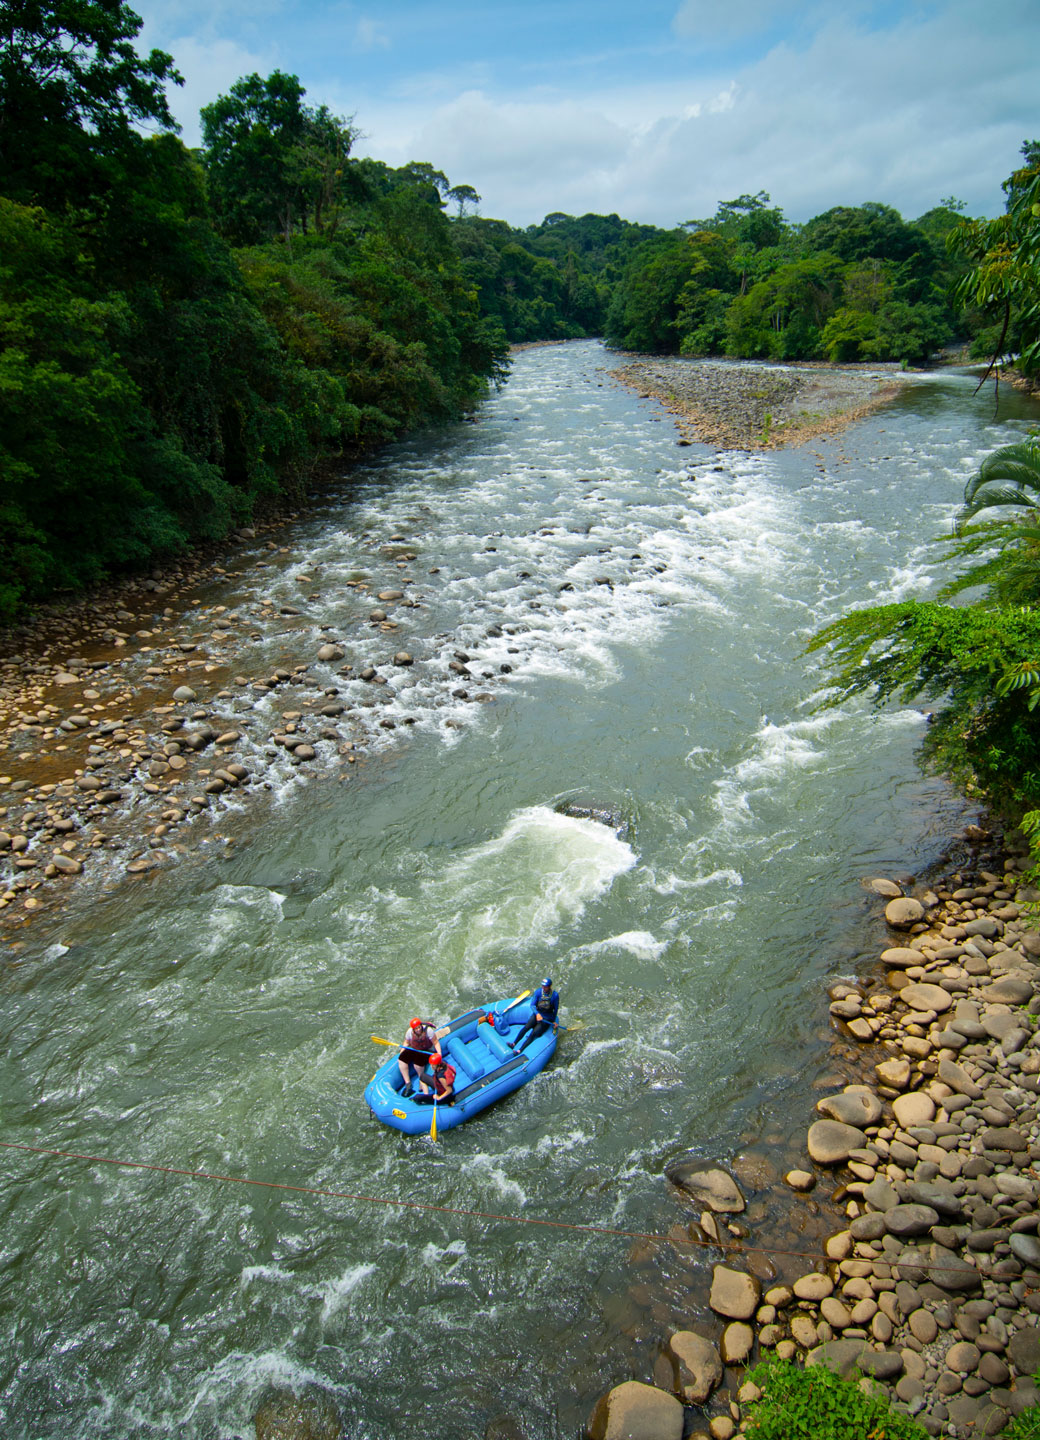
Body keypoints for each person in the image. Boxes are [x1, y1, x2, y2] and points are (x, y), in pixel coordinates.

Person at [511, 978, 559, 1052]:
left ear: (549, 986)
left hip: (546, 1019)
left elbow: (555, 1010)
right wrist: (537, 1014)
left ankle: (519, 1050)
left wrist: (553, 1021)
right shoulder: (538, 992)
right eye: (543, 986)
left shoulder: (555, 996)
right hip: (537, 1014)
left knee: (533, 1033)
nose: (543, 988)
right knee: (526, 1027)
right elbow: (532, 1005)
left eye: (545, 986)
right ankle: (514, 1044)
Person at [397, 1017, 441, 1092]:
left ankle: (421, 1081)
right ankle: (408, 1083)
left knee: (417, 1063)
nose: (418, 1029)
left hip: (427, 1051)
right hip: (415, 1049)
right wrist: (402, 1050)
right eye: (416, 1028)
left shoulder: (428, 1031)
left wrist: (439, 1054)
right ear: (413, 1029)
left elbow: (436, 1042)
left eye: (419, 1027)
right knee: (401, 1059)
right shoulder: (409, 1032)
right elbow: (407, 1042)